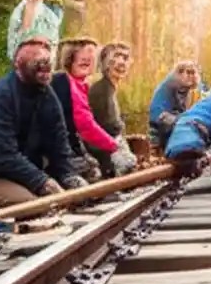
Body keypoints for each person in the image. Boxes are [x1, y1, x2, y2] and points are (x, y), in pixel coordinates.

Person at [0, 35, 87, 210]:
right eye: (37, 61)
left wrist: (70, 177)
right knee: (37, 207)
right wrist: (43, 183)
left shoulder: (48, 95)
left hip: (26, 173)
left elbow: (59, 144)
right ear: (18, 63)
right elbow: (3, 158)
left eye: (47, 61)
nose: (45, 66)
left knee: (83, 193)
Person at [50, 38, 136, 182]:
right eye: (83, 60)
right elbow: (86, 126)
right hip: (62, 153)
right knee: (95, 172)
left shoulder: (82, 85)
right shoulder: (69, 84)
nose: (88, 62)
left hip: (76, 147)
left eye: (91, 59)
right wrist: (115, 147)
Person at [6, 0, 85, 60]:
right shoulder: (26, 7)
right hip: (28, 61)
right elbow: (25, 35)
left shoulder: (48, 8)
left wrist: (66, 2)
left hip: (47, 61)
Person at [89, 41, 137, 176]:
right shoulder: (101, 90)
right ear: (105, 62)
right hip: (101, 151)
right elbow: (110, 127)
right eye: (116, 57)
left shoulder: (109, 88)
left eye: (125, 58)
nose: (121, 63)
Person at [148, 59, 201, 150]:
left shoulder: (186, 89)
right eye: (187, 73)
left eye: (193, 73)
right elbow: (162, 114)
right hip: (160, 121)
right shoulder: (171, 85)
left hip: (172, 121)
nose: (190, 76)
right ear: (179, 73)